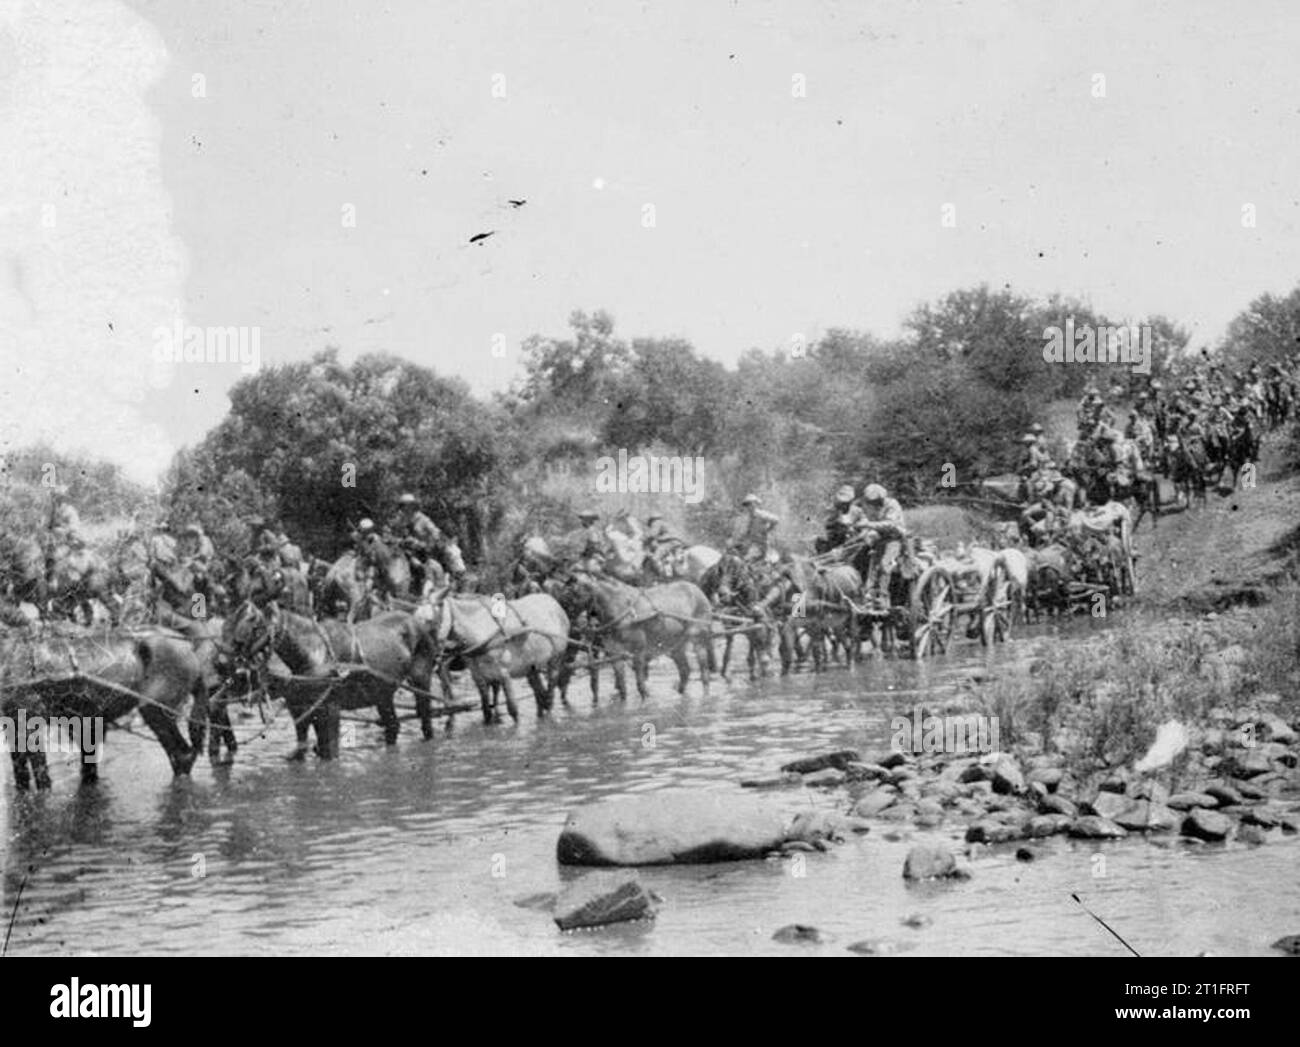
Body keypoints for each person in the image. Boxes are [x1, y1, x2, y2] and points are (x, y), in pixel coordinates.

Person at [391, 492, 465, 591]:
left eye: (408, 505)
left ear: (413, 506)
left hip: (421, 552)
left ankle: (426, 590)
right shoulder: (399, 520)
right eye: (403, 506)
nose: (405, 508)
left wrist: (420, 543)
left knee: (423, 567)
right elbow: (391, 535)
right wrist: (401, 541)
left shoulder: (423, 520)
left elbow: (435, 533)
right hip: (403, 551)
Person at [854, 484, 905, 612]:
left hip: (894, 539)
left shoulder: (892, 504)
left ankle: (882, 598)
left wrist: (868, 524)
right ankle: (867, 596)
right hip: (878, 538)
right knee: (869, 565)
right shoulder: (866, 506)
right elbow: (864, 519)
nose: (873, 504)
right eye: (871, 502)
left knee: (885, 564)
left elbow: (891, 524)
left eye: (876, 501)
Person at [728, 494, 780, 561]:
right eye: (746, 505)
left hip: (761, 545)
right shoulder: (751, 516)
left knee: (747, 559)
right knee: (735, 552)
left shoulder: (761, 514)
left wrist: (768, 529)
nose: (747, 507)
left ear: (754, 504)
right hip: (752, 543)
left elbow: (776, 519)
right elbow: (749, 531)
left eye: (748, 504)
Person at [818, 485, 864, 553]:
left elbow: (864, 526)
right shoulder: (831, 511)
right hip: (833, 540)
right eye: (842, 503)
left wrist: (853, 528)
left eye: (846, 503)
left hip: (850, 542)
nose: (844, 506)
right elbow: (825, 527)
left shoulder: (857, 511)